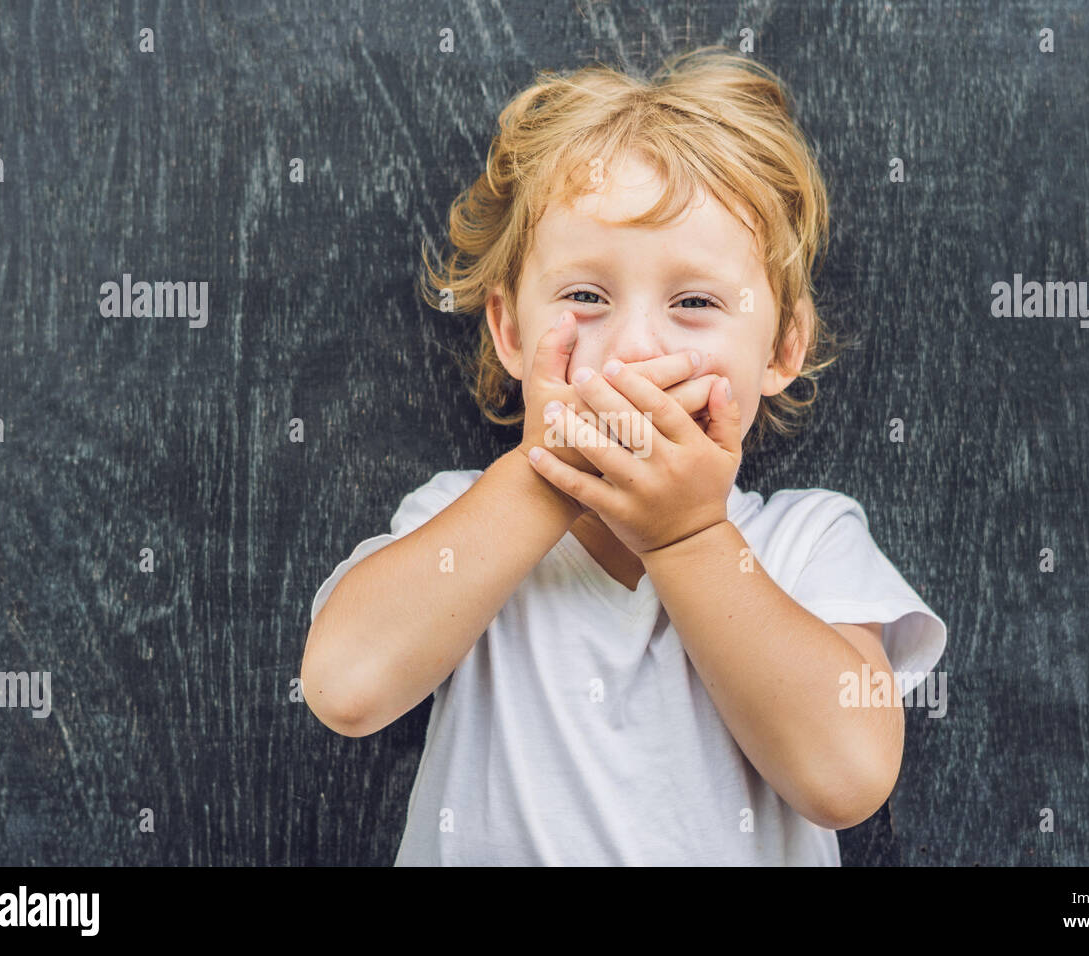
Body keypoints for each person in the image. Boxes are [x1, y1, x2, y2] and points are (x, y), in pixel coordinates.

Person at [301, 45, 947, 865]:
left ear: (782, 347)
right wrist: (545, 483)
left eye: (695, 302)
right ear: (510, 331)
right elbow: (342, 689)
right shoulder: (461, 521)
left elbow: (847, 779)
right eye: (586, 296)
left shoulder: (808, 544)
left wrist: (689, 538)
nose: (637, 347)